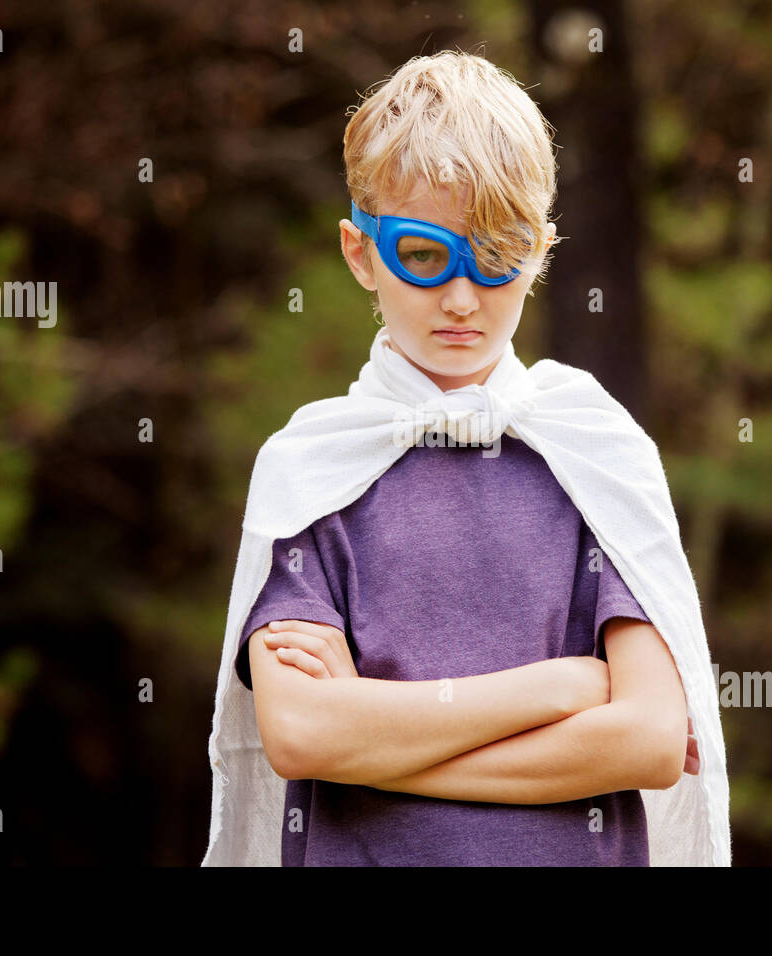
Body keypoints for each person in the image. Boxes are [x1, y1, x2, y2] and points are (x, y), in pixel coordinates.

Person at [208, 49, 717, 867]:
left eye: (497, 254)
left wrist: (372, 737)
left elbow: (650, 741)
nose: (460, 298)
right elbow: (301, 734)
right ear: (360, 252)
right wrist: (558, 689)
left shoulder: (596, 455)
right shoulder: (311, 470)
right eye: (422, 254)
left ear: (540, 251)